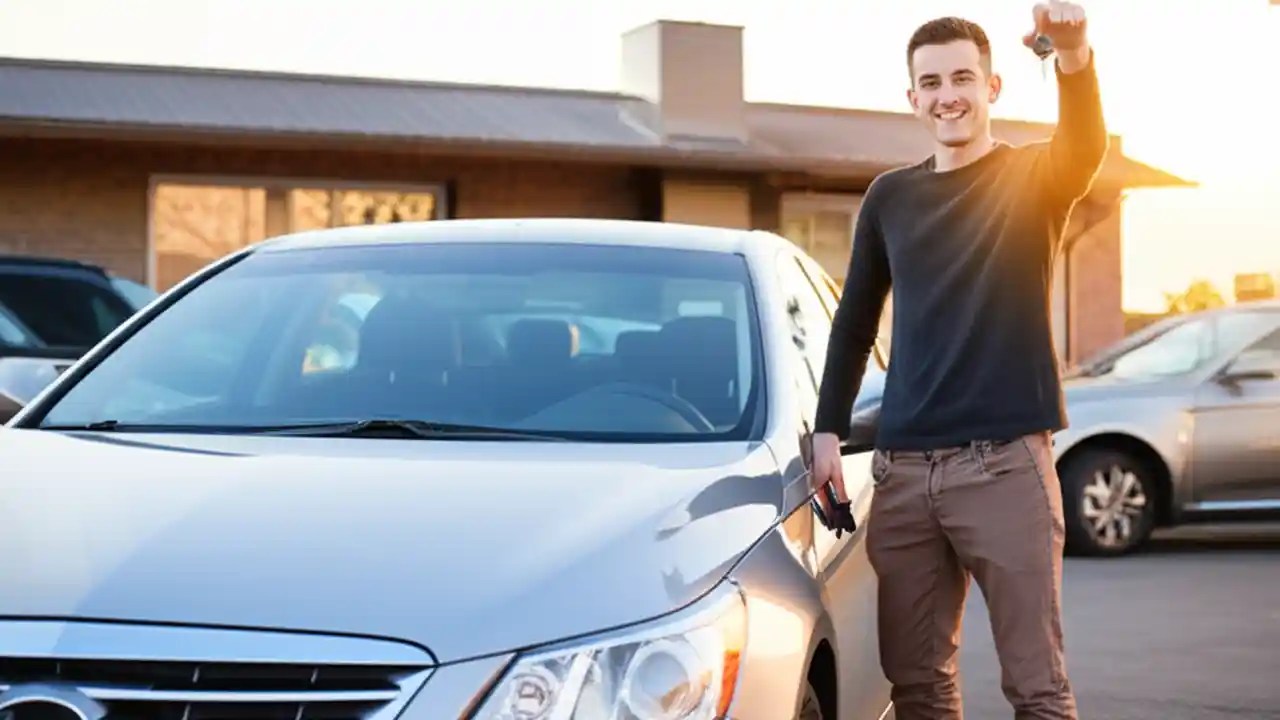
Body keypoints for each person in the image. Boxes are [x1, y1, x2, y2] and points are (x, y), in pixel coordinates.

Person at [810, 2, 1106, 719]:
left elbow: (1084, 146)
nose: (950, 95)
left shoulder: (1034, 179)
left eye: (964, 79)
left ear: (993, 87)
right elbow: (853, 322)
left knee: (1037, 688)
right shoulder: (891, 197)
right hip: (904, 473)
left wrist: (1074, 54)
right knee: (916, 685)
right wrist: (826, 432)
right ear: (913, 99)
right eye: (933, 82)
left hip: (1004, 468)